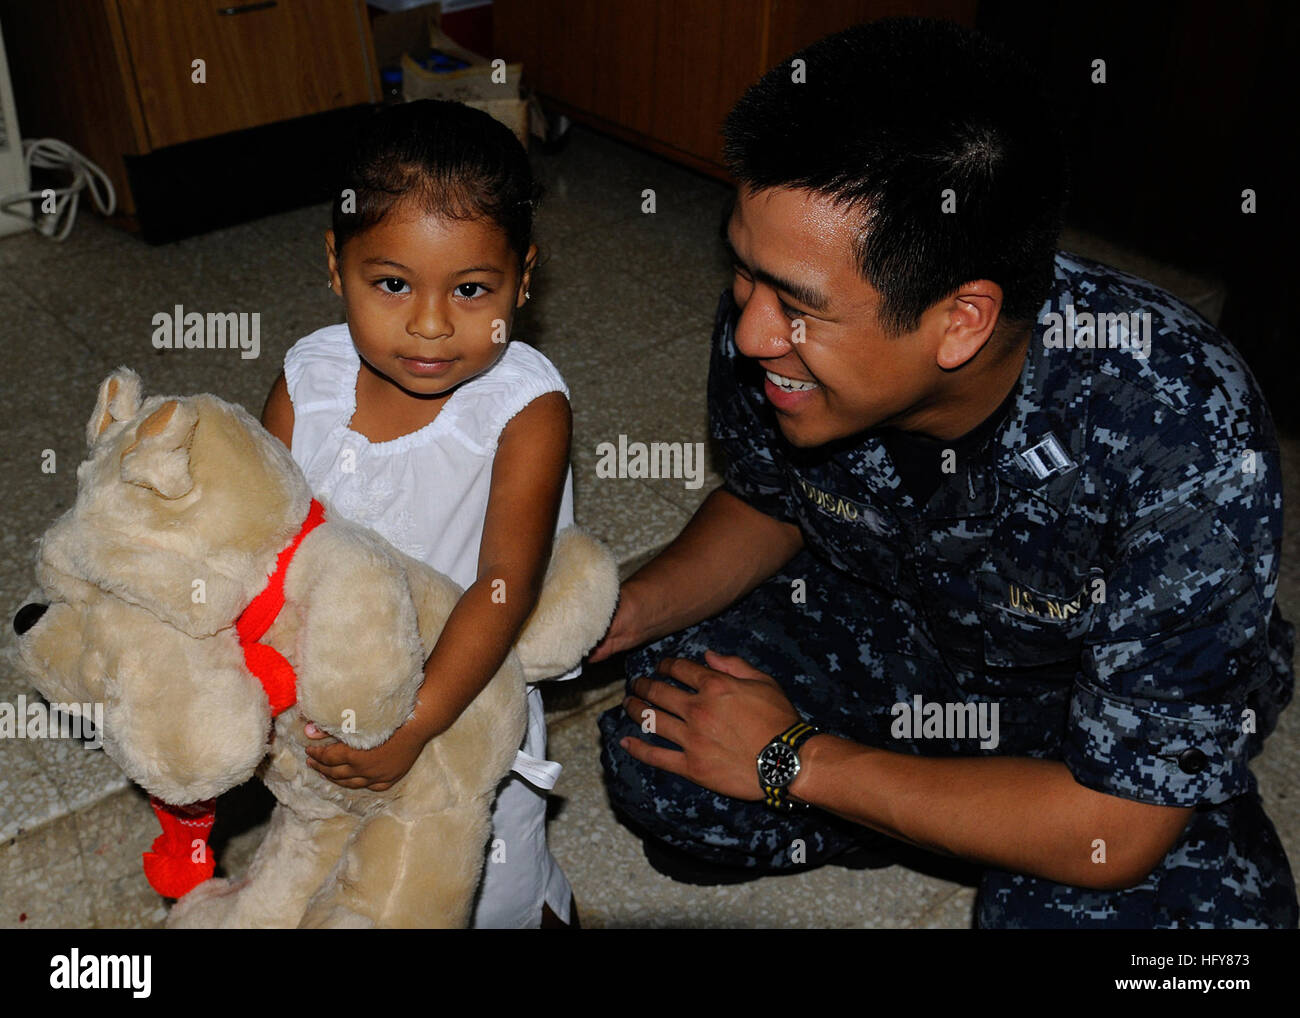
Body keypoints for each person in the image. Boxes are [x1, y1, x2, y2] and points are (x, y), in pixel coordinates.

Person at [594, 17, 1298, 928]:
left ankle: (955, 812)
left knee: (1166, 931)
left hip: (1084, 703)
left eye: (798, 306)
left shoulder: (1184, 428)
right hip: (890, 615)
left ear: (962, 321)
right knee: (658, 756)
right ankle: (952, 812)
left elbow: (1119, 828)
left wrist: (795, 760)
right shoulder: (777, 322)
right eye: (744, 272)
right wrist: (621, 612)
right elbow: (770, 501)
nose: (756, 331)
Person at [261, 100, 578, 928]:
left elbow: (507, 584)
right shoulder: (308, 383)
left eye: (473, 290)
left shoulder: (524, 411)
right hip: (325, 695)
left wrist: (420, 724)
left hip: (464, 703)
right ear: (337, 265)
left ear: (525, 278)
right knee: (336, 874)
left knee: (485, 881)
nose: (432, 325)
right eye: (392, 283)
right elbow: (265, 545)